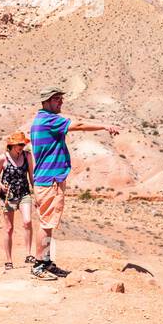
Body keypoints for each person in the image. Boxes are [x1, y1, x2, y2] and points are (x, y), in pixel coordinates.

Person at [28, 86, 119, 279]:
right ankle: (38, 265)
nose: (60, 102)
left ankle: (46, 262)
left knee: (48, 223)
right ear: (45, 102)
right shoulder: (48, 119)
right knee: (45, 223)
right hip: (49, 180)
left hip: (49, 179)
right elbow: (76, 125)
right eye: (56, 99)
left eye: (61, 98)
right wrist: (103, 126)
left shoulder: (41, 120)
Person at [0, 131, 35, 270]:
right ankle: (8, 260)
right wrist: (1, 186)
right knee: (9, 228)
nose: (22, 146)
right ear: (12, 145)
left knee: (27, 221)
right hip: (8, 197)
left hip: (24, 193)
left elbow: (31, 176)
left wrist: (36, 192)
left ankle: (29, 254)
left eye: (23, 144)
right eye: (19, 144)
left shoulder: (27, 156)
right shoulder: (3, 158)